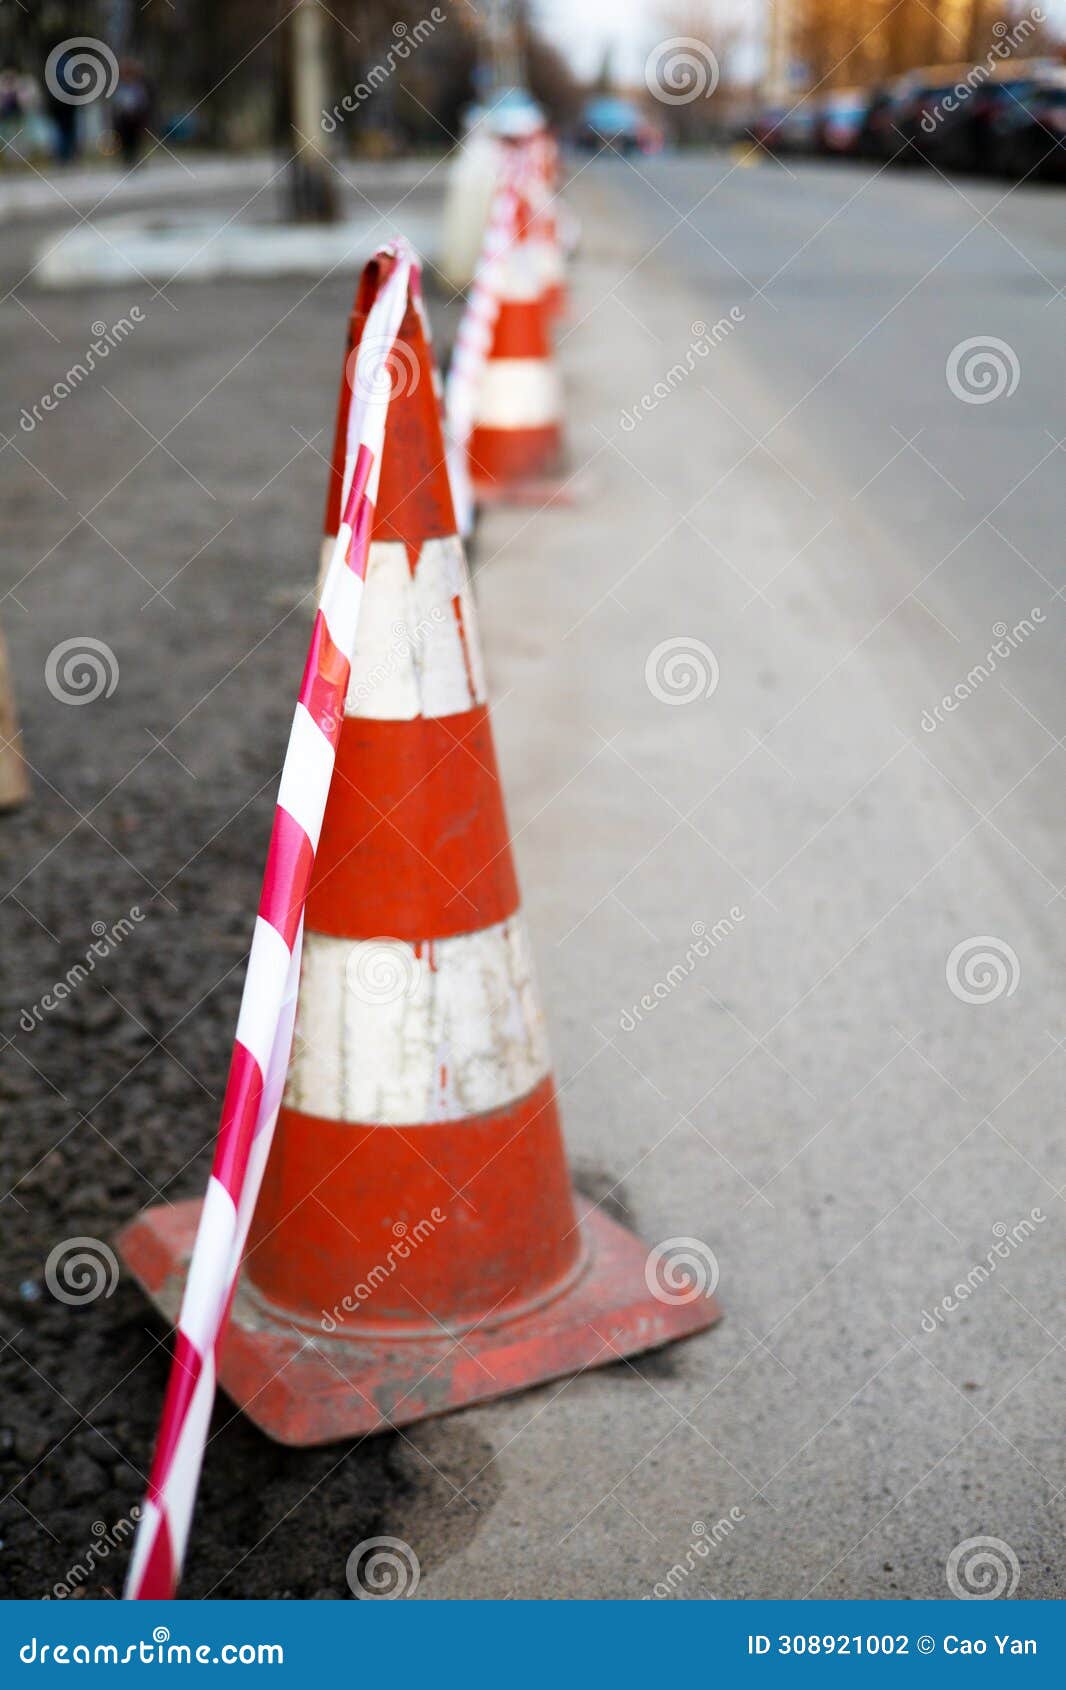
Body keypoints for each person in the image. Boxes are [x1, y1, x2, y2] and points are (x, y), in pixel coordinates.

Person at [111, 59, 151, 167]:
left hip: (135, 117)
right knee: (125, 139)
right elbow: (116, 103)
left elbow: (142, 101)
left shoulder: (138, 86)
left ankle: (135, 158)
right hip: (123, 118)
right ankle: (126, 158)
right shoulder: (119, 87)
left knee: (135, 139)